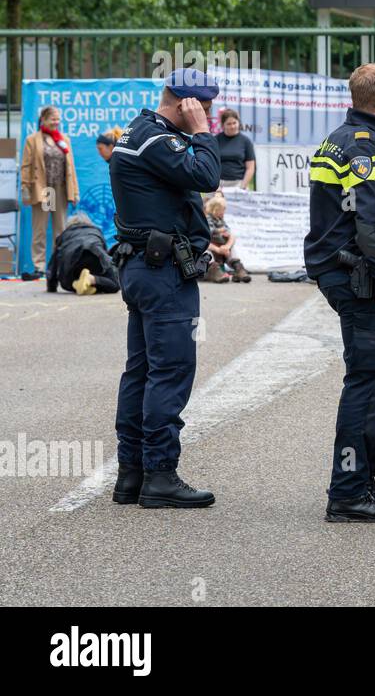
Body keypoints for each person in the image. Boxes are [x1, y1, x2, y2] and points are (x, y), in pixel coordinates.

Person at [304, 63, 375, 523]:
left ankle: (360, 477)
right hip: (359, 275)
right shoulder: (364, 147)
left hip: (350, 270)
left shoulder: (344, 138)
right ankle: (348, 491)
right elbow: (367, 222)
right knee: (368, 380)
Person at [108, 68, 222, 508]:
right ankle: (160, 475)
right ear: (185, 104)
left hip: (144, 268)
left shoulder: (139, 132)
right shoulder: (158, 140)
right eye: (202, 108)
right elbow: (208, 175)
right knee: (170, 371)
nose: (206, 115)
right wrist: (202, 132)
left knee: (142, 371)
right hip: (163, 274)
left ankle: (131, 475)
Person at [21, 105, 80, 278]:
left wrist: (74, 191)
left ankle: (58, 266)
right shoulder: (33, 140)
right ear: (44, 119)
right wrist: (25, 188)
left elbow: (71, 167)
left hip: (60, 189)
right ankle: (39, 266)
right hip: (44, 190)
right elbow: (26, 166)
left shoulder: (64, 139)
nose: (57, 122)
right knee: (39, 229)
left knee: (60, 230)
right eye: (53, 118)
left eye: (58, 118)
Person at [45, 213, 120, 296]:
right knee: (114, 284)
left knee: (68, 283)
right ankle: (92, 280)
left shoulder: (64, 235)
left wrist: (51, 287)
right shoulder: (96, 231)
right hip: (94, 254)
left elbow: (53, 265)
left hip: (71, 267)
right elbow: (104, 258)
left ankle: (78, 283)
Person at [203, 193, 251, 283]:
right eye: (223, 210)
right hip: (212, 247)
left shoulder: (221, 220)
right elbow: (208, 232)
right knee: (206, 249)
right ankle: (214, 271)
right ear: (216, 210)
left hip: (222, 248)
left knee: (231, 245)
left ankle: (238, 268)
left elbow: (229, 232)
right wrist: (219, 232)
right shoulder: (208, 219)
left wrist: (226, 246)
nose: (224, 212)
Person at [215, 108, 255, 190]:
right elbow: (210, 165)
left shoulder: (246, 141)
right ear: (223, 125)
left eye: (234, 123)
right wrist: (216, 186)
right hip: (218, 184)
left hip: (239, 184)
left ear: (238, 123)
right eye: (229, 124)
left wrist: (242, 187)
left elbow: (250, 167)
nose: (232, 126)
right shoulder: (215, 140)